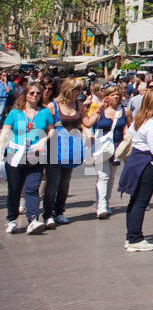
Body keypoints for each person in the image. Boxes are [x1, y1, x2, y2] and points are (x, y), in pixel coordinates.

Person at [118, 86, 153, 251]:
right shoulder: (152, 124)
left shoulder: (140, 119)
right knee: (140, 202)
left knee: (134, 201)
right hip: (144, 164)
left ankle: (131, 237)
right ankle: (135, 239)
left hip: (135, 162)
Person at [2, 79, 54, 234]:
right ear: (26, 95)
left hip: (35, 154)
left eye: (38, 93)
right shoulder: (14, 113)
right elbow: (5, 132)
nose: (35, 95)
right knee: (15, 189)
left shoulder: (45, 113)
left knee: (32, 188)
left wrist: (44, 140)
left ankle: (33, 220)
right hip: (15, 153)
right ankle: (12, 219)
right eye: (32, 93)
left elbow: (52, 130)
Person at [44, 78, 85, 228]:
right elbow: (44, 126)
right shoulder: (52, 106)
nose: (79, 93)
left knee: (65, 183)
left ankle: (59, 212)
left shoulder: (78, 105)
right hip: (54, 147)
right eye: (76, 90)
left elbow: (86, 123)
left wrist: (98, 111)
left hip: (71, 147)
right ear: (68, 89)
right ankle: (48, 214)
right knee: (52, 183)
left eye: (80, 90)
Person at [85, 85, 130, 218]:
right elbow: (88, 123)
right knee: (103, 175)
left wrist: (127, 137)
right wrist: (99, 109)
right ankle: (102, 205)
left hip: (116, 146)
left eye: (118, 95)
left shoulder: (125, 111)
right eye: (112, 94)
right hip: (101, 146)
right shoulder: (101, 110)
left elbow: (131, 127)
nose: (116, 97)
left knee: (111, 176)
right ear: (107, 97)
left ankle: (105, 201)